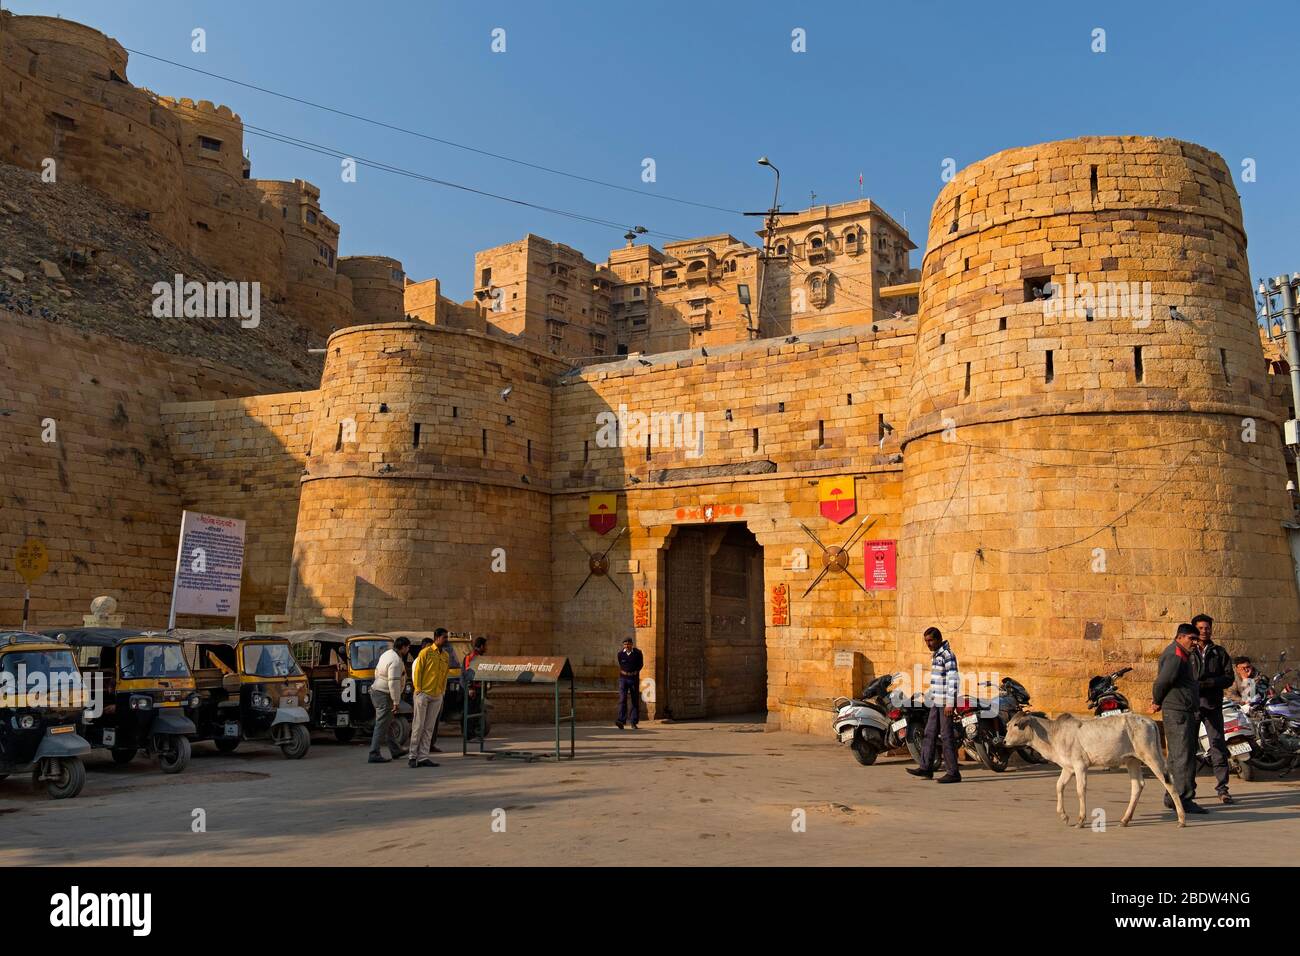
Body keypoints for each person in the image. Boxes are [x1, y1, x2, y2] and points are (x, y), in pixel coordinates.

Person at [1151, 623, 1208, 814]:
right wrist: (1157, 700)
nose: (1194, 642)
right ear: (1180, 637)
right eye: (1191, 638)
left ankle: (1172, 797)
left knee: (1177, 756)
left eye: (1196, 639)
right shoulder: (1176, 655)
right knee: (1183, 756)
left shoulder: (1182, 654)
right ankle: (1183, 799)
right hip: (1178, 711)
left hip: (1182, 710)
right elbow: (1163, 681)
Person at [907, 626, 961, 784]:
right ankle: (926, 767)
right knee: (929, 733)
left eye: (930, 640)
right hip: (936, 702)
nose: (928, 644)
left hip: (945, 703)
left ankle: (953, 772)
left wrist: (950, 703)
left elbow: (953, 680)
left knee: (946, 736)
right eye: (926, 641)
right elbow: (939, 680)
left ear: (938, 639)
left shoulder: (948, 655)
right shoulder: (936, 656)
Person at [1192, 614, 1235, 804]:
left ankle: (1222, 788)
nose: (1204, 631)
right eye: (1200, 628)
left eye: (1207, 628)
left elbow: (1229, 677)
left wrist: (1212, 682)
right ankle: (1187, 788)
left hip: (1213, 705)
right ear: (1194, 629)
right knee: (1189, 748)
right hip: (1192, 706)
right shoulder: (1188, 652)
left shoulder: (1219, 652)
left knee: (1217, 744)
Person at [408, 630, 451, 768]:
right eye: (444, 637)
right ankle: (412, 756)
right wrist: (418, 689)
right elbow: (418, 671)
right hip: (423, 693)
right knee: (418, 725)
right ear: (437, 638)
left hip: (437, 694)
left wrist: (442, 691)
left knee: (429, 727)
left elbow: (445, 674)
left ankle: (423, 757)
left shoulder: (445, 655)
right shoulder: (425, 652)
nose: (446, 640)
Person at [368, 636, 410, 764]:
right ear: (403, 647)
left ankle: (395, 749)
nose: (408, 650)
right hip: (384, 694)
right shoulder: (396, 660)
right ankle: (374, 753)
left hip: (377, 690)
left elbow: (377, 672)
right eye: (408, 647)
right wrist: (396, 701)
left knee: (387, 723)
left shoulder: (387, 654)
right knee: (381, 724)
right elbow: (393, 683)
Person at [462, 636, 488, 739]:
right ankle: (468, 734)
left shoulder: (479, 657)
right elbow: (468, 673)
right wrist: (470, 688)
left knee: (476, 711)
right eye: (485, 646)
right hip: (473, 689)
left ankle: (473, 733)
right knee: (470, 711)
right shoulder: (472, 657)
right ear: (481, 646)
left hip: (479, 688)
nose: (486, 648)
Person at [616, 638, 642, 730]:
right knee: (622, 699)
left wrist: (634, 672)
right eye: (625, 644)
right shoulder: (620, 654)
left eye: (628, 644)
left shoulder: (637, 653)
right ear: (623, 645)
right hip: (623, 679)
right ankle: (621, 720)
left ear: (632, 644)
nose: (627, 646)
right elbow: (621, 664)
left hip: (633, 679)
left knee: (634, 700)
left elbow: (640, 665)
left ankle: (633, 722)